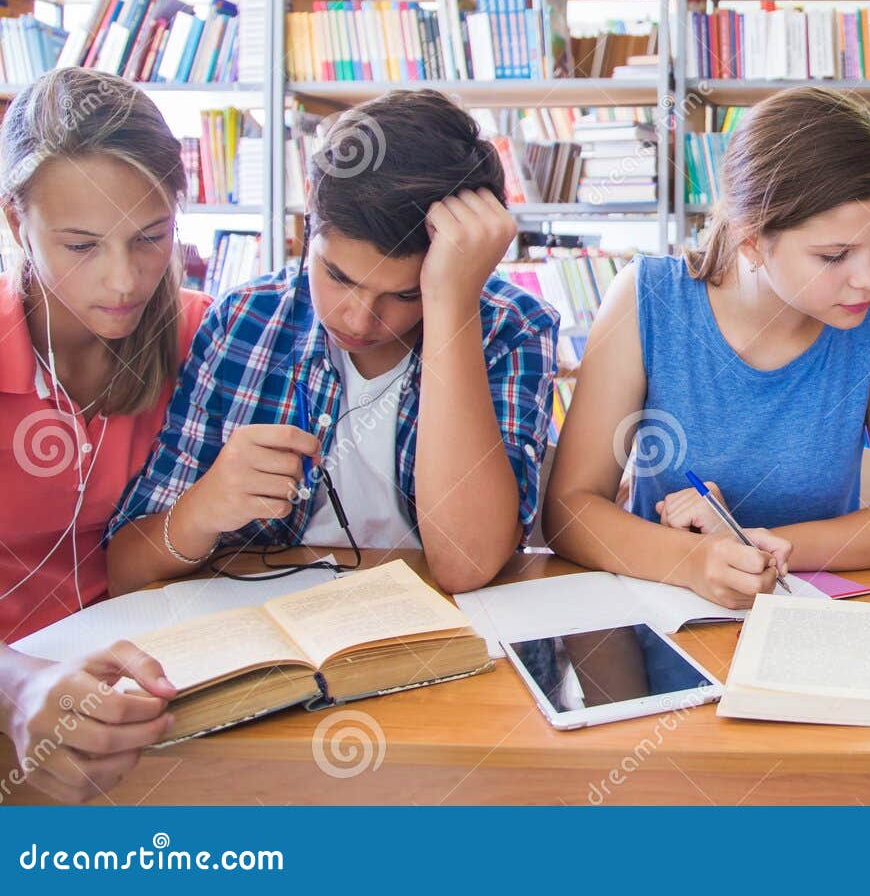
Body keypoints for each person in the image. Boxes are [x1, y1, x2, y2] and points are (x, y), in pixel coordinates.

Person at [105, 89, 558, 596]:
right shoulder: (246, 319)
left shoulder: (511, 329)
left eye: (406, 294)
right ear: (308, 229)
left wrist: (452, 303)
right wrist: (201, 509)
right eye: (338, 276)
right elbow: (125, 569)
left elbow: (465, 565)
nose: (359, 319)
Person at [544, 86, 870, 608]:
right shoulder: (645, 298)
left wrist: (763, 546)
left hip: (808, 621)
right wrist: (693, 561)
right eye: (834, 256)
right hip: (667, 618)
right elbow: (569, 510)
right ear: (750, 240)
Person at [1, 69, 208, 801]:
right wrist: (17, 686)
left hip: (161, 706)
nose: (125, 280)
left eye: (151, 238)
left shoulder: (202, 334)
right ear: (13, 219)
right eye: (82, 244)